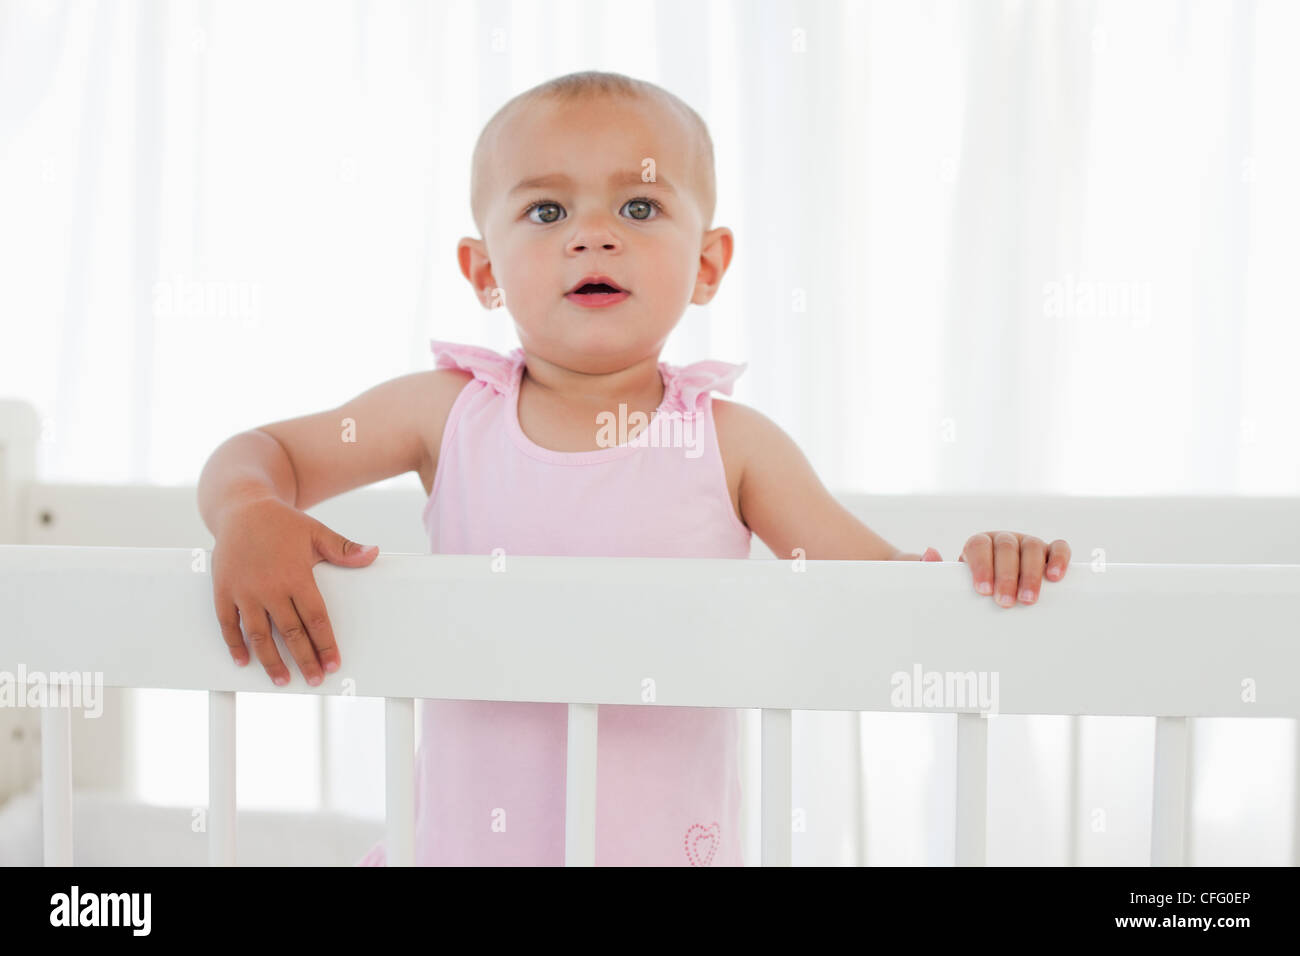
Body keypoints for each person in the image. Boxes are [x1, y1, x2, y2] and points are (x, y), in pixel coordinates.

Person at [196, 70, 1071, 866]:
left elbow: (883, 596)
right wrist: (247, 510)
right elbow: (262, 454)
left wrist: (984, 571)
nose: (593, 239)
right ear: (482, 271)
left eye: (640, 209)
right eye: (547, 213)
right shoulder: (446, 413)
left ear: (708, 263)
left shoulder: (733, 445)